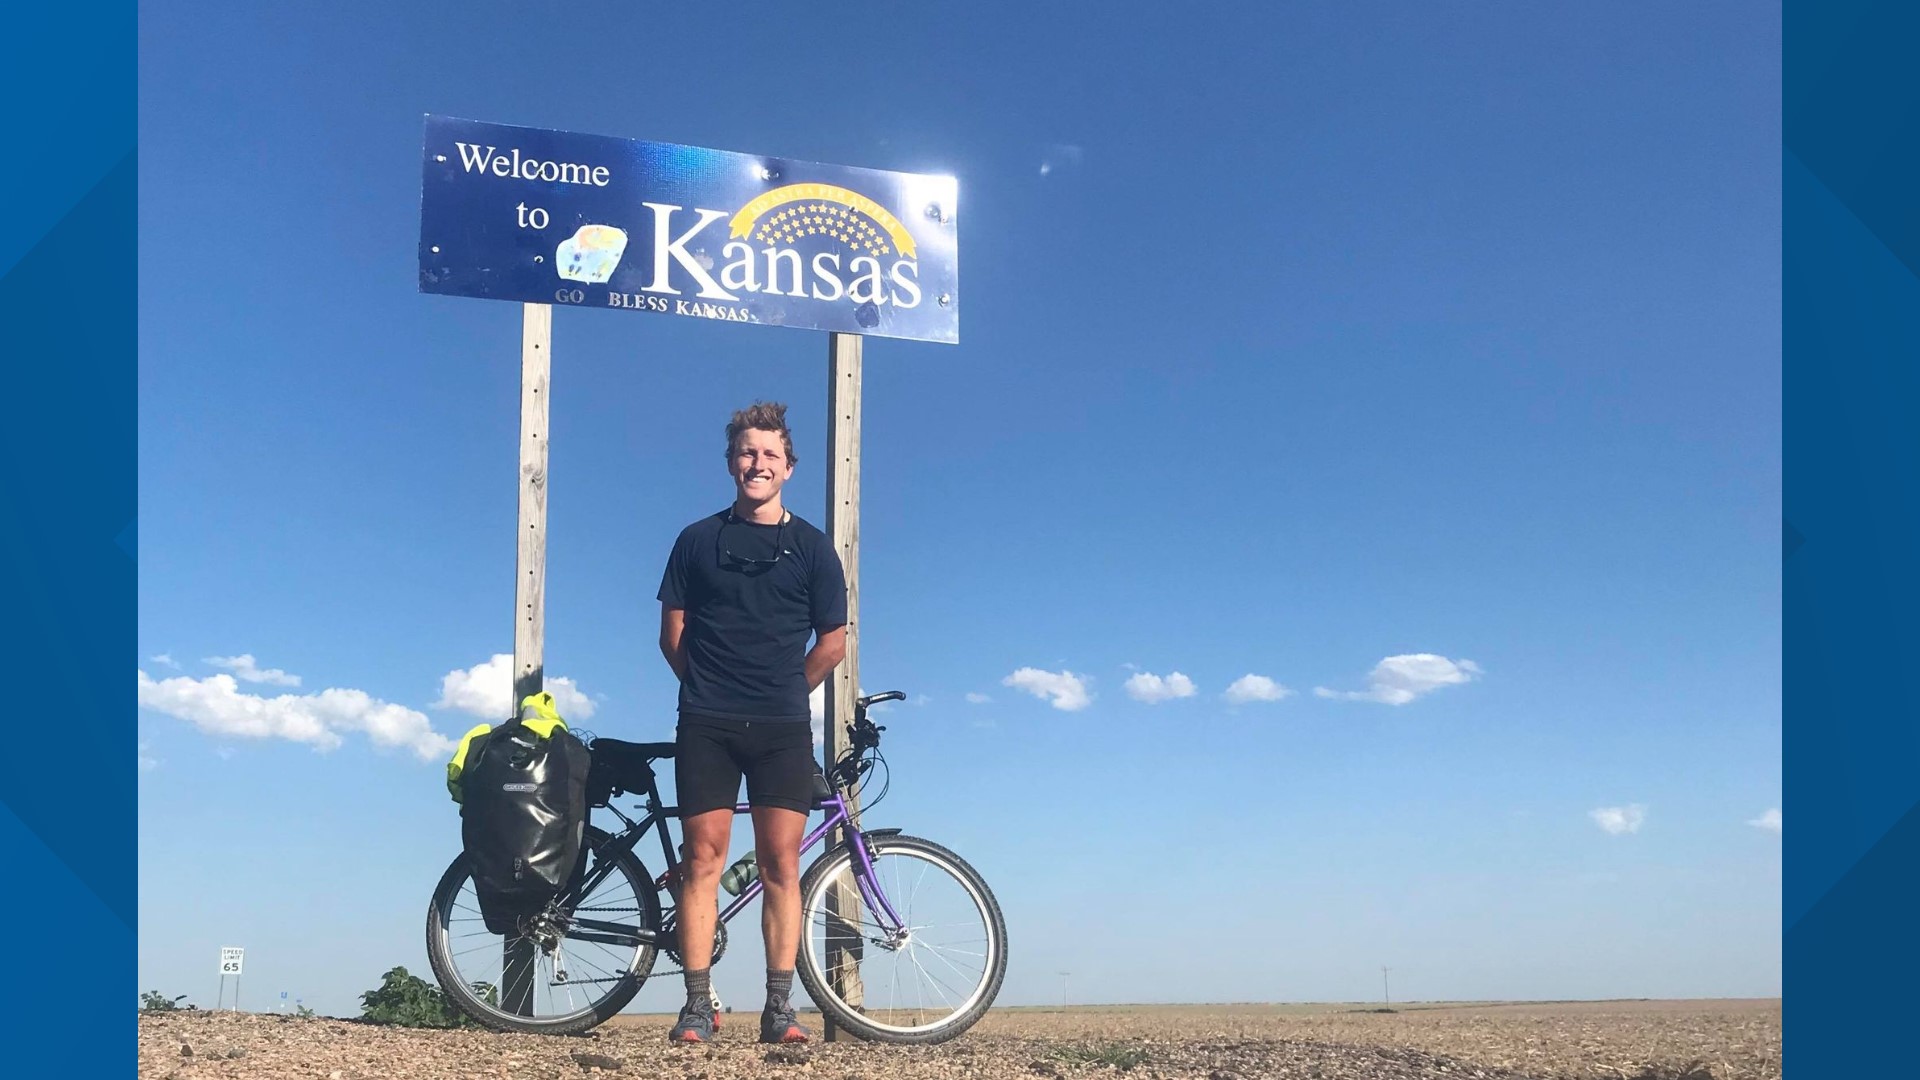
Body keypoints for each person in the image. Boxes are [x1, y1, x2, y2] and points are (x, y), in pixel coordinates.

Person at [657, 401, 847, 1044]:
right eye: (746, 451)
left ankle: (778, 1010)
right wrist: (712, 688)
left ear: (787, 467)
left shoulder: (813, 549)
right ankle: (696, 1005)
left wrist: (784, 688)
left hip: (782, 728)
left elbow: (833, 640)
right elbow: (672, 634)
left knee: (779, 866)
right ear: (731, 462)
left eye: (769, 454)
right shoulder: (695, 540)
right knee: (702, 861)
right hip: (706, 723)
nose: (756, 462)